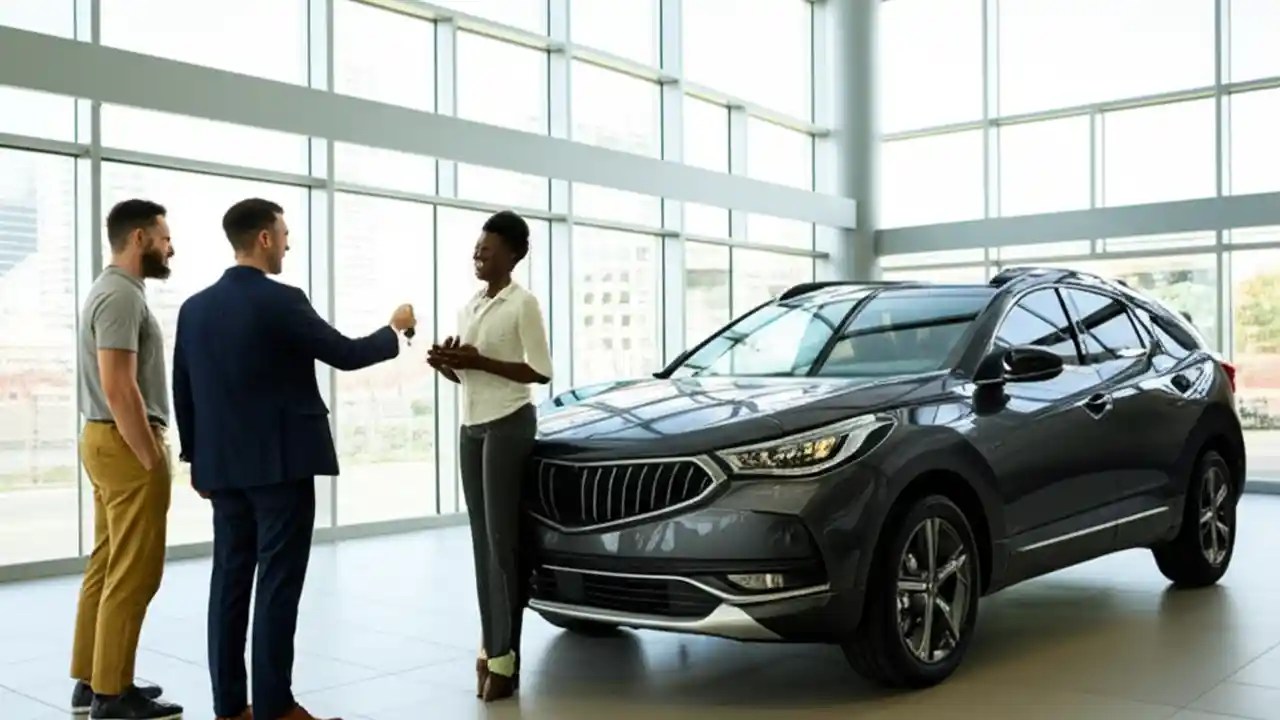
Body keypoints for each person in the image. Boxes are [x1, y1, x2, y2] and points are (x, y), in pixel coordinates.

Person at [172, 198, 415, 720]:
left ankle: (230, 707)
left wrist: (196, 457)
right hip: (280, 466)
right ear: (263, 238)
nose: (287, 243)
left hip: (221, 469)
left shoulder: (194, 308)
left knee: (229, 584)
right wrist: (393, 330)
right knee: (278, 586)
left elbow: (184, 389)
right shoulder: (281, 300)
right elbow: (347, 353)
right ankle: (276, 709)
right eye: (283, 234)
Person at [427, 210, 552, 702]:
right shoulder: (471, 306)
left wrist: (477, 361)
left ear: (514, 254)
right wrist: (449, 366)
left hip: (509, 425)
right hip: (471, 427)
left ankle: (503, 656)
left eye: (487, 249)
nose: (478, 256)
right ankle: (491, 646)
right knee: (482, 544)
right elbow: (470, 375)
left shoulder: (524, 304)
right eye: (476, 249)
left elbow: (539, 372)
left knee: (503, 545)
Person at [71, 198, 184, 720]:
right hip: (124, 443)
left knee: (107, 563)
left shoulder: (111, 290)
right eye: (163, 238)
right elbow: (119, 385)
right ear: (139, 238)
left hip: (102, 440)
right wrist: (150, 455)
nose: (170, 247)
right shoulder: (120, 296)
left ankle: (92, 678)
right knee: (135, 572)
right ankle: (112, 696)